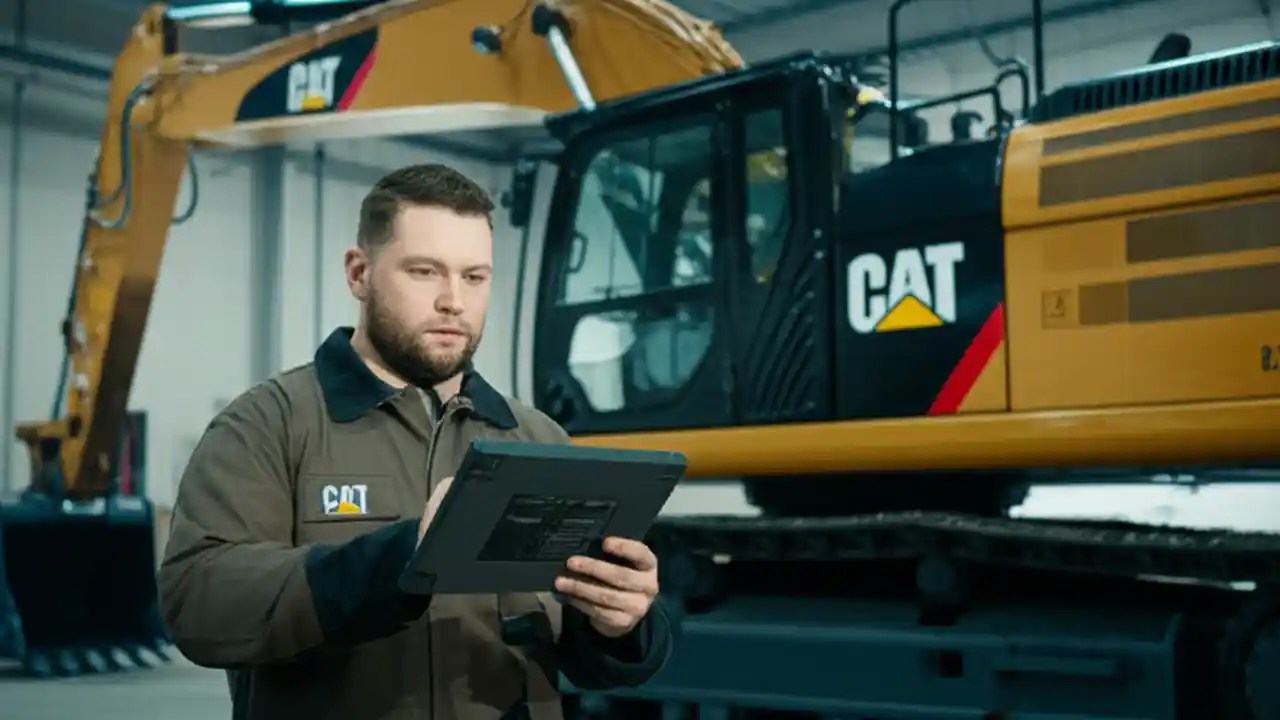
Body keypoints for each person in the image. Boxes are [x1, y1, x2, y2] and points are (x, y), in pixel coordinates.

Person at [157, 163, 673, 720]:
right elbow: (198, 603)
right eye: (425, 271)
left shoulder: (536, 439)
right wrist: (400, 561)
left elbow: (578, 651)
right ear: (359, 273)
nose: (454, 300)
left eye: (475, 277)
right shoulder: (269, 425)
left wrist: (620, 623)